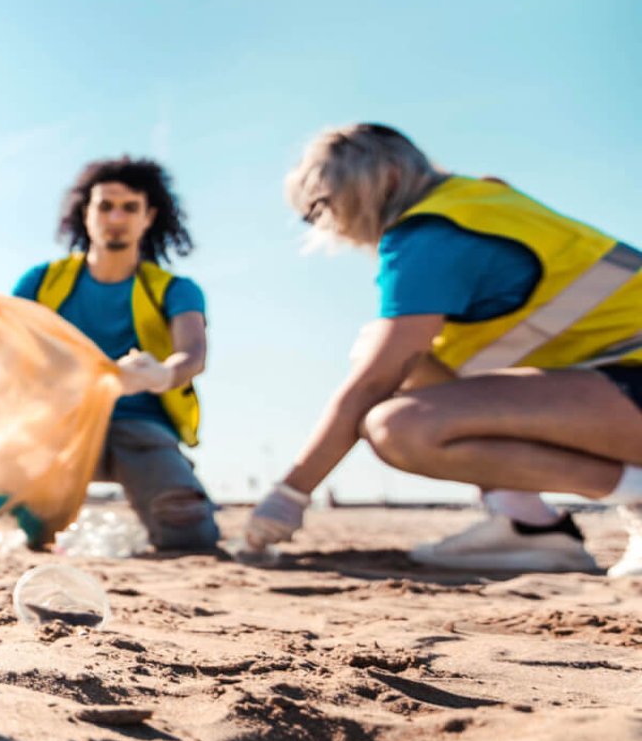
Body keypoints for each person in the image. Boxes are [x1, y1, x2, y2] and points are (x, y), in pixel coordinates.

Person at [246, 123, 642, 577]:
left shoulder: (429, 235)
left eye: (325, 203)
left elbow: (375, 381)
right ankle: (526, 523)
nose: (326, 221)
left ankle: (635, 494)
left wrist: (291, 493)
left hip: (628, 384)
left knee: (399, 426)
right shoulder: (478, 202)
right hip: (614, 382)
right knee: (400, 355)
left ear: (387, 178)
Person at [12, 157, 220, 550]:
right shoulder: (41, 282)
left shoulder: (174, 289)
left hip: (140, 426)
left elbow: (193, 354)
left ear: (149, 216)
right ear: (85, 213)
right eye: (105, 206)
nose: (116, 218)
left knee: (190, 533)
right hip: (57, 427)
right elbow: (9, 344)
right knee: (9, 525)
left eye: (129, 207)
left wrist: (162, 374)